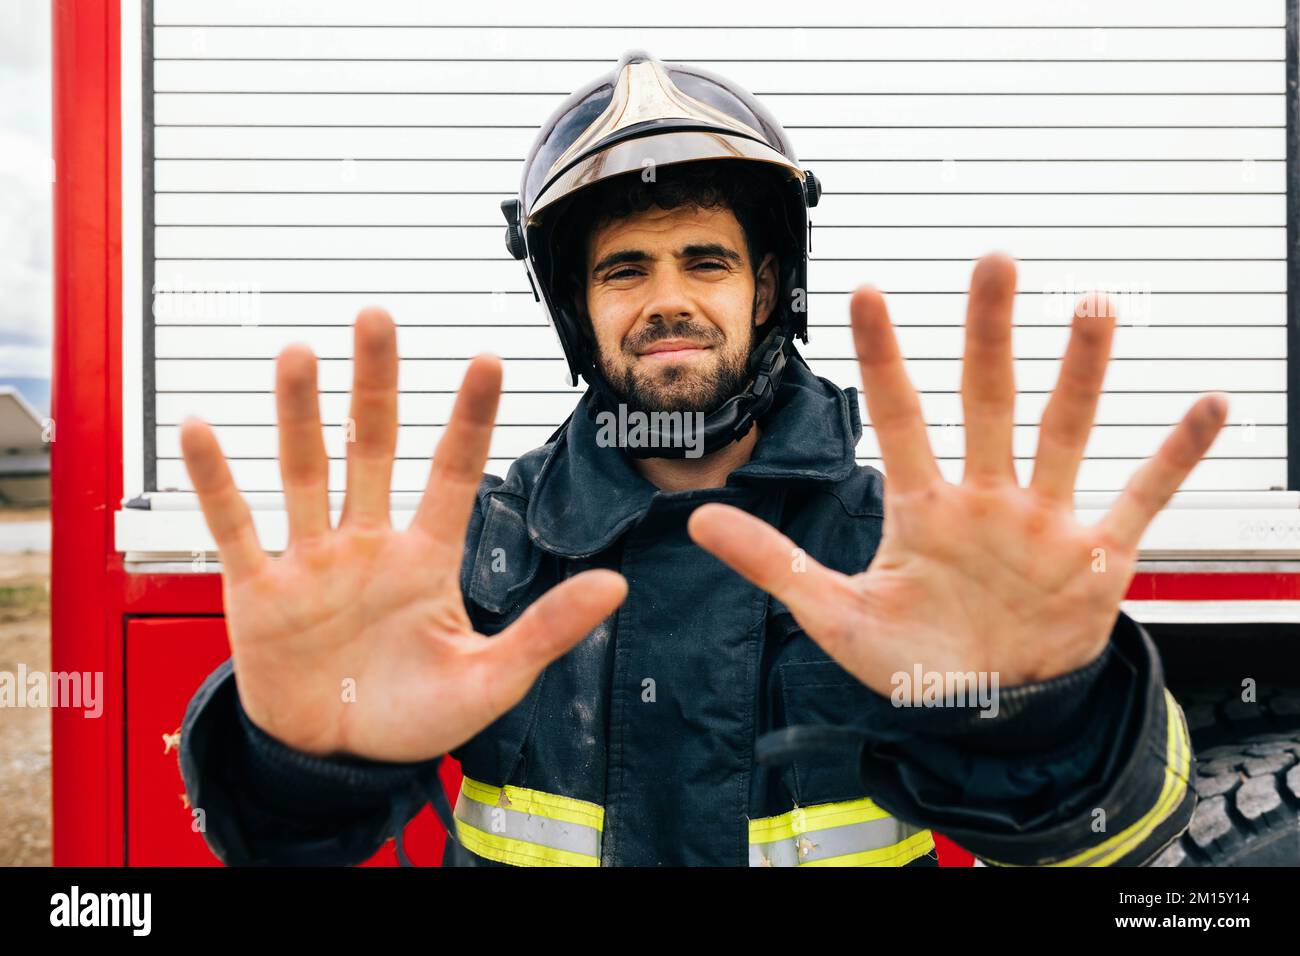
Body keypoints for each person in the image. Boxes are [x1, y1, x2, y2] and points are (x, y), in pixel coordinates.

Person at [177, 51, 1224, 867]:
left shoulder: (887, 541)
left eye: (705, 259)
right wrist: (298, 761)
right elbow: (282, 843)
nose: (666, 296)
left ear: (766, 291)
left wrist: (1038, 710)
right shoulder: (484, 553)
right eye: (624, 268)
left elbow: (1110, 851)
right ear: (581, 314)